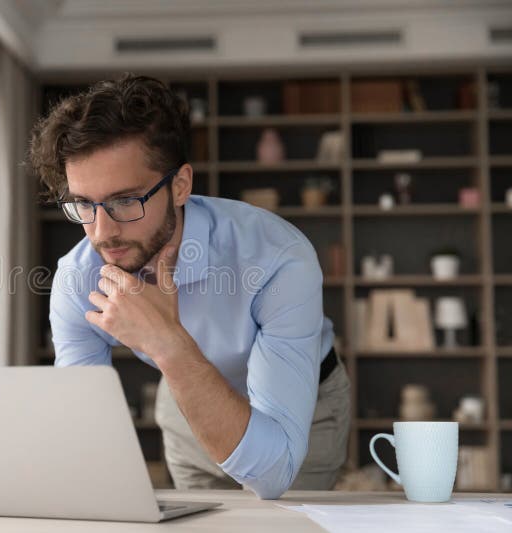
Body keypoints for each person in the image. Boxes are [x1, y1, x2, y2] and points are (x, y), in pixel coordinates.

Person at [26, 73, 350, 499]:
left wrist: (166, 341)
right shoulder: (78, 277)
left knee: (279, 525)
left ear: (180, 186)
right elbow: (80, 431)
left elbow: (273, 473)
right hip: (183, 403)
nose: (102, 233)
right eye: (84, 204)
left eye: (125, 201)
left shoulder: (277, 258)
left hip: (302, 406)